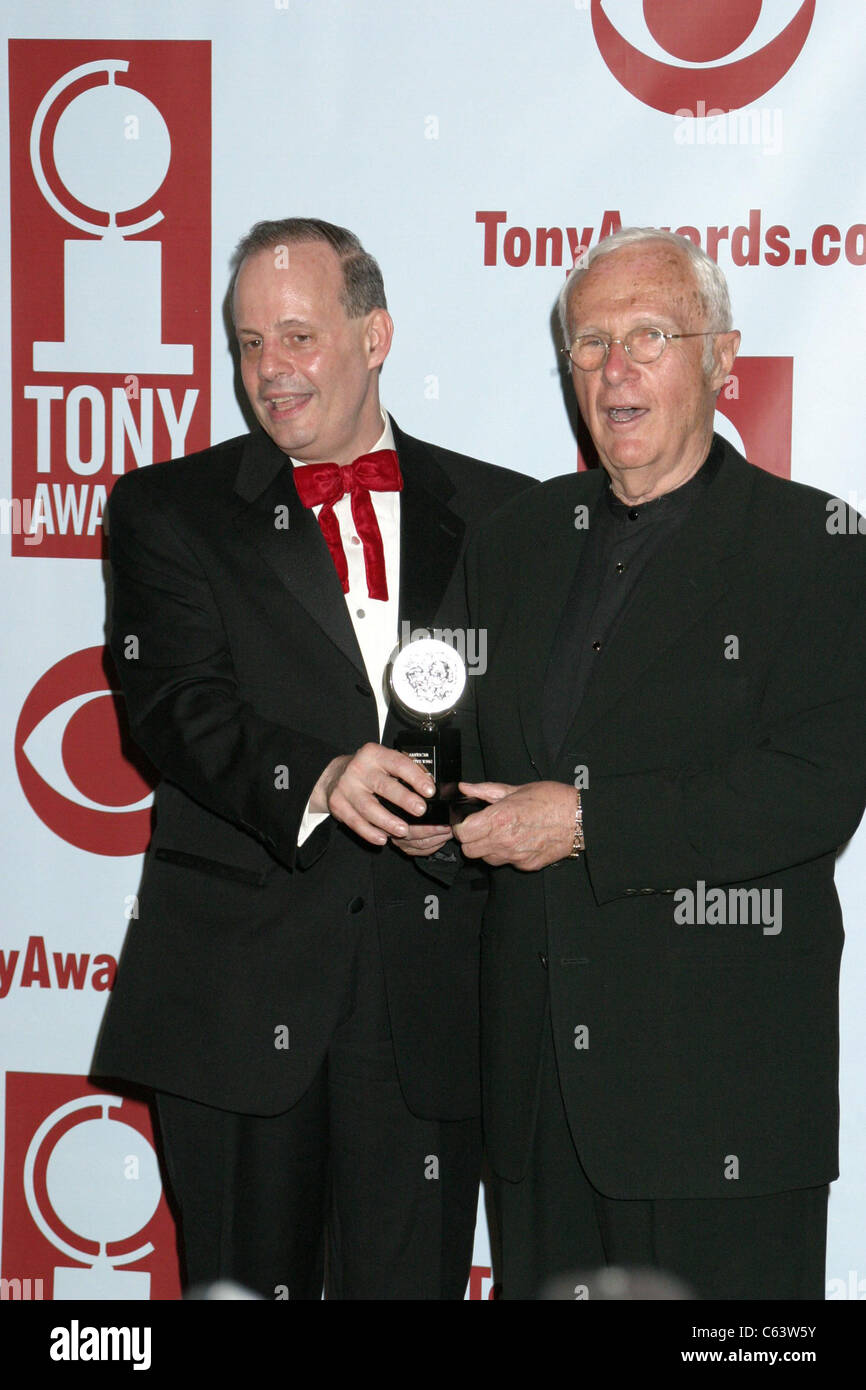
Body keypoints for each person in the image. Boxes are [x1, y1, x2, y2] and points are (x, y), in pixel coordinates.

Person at [91, 217, 532, 1299]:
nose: (269, 371)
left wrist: (472, 812)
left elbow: (527, 723)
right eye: (248, 344)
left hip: (430, 1001)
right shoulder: (168, 509)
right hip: (239, 998)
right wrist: (321, 779)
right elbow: (173, 708)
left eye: (296, 334)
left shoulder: (505, 514)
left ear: (373, 334)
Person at [454, 226, 866, 1300]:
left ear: (722, 360)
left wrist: (585, 820)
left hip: (717, 1097)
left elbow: (812, 790)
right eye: (588, 344)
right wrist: (422, 809)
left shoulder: (818, 546)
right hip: (538, 1096)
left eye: (648, 335)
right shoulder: (513, 539)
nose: (613, 368)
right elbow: (460, 747)